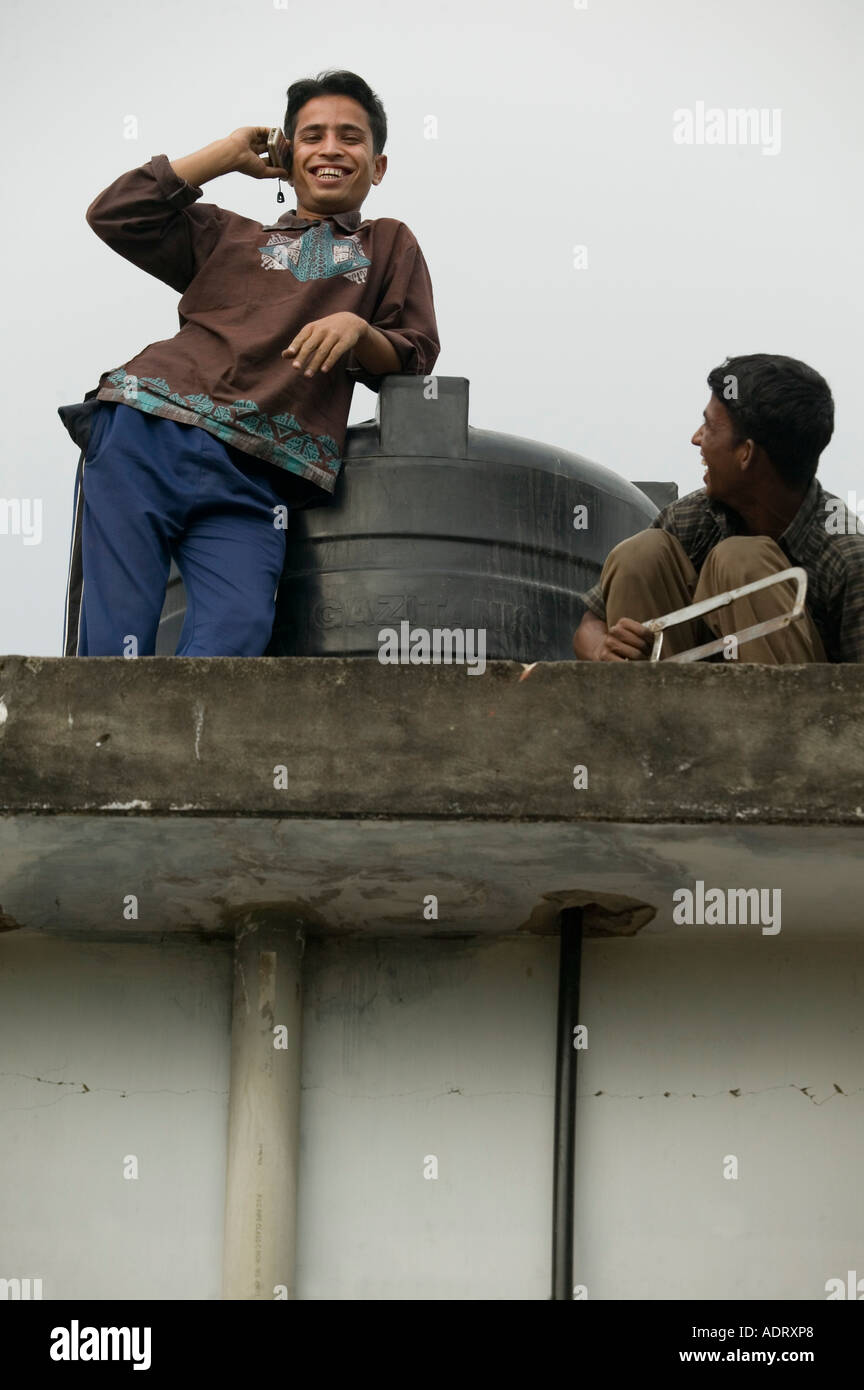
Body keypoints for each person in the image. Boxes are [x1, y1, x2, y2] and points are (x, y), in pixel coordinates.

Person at [61, 70, 439, 657]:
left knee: (234, 639)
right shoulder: (228, 238)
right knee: (118, 645)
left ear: (379, 166)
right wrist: (224, 155)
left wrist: (358, 330)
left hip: (260, 477)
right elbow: (115, 214)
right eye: (311, 136)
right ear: (288, 159)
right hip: (149, 428)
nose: (331, 149)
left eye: (351, 137)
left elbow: (411, 357)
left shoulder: (386, 243)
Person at [572, 354, 864, 664]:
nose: (696, 438)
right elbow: (590, 626)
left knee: (742, 560)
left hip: (792, 710)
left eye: (709, 427)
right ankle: (646, 704)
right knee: (641, 554)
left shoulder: (847, 557)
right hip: (674, 707)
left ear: (745, 453)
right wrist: (603, 648)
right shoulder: (694, 518)